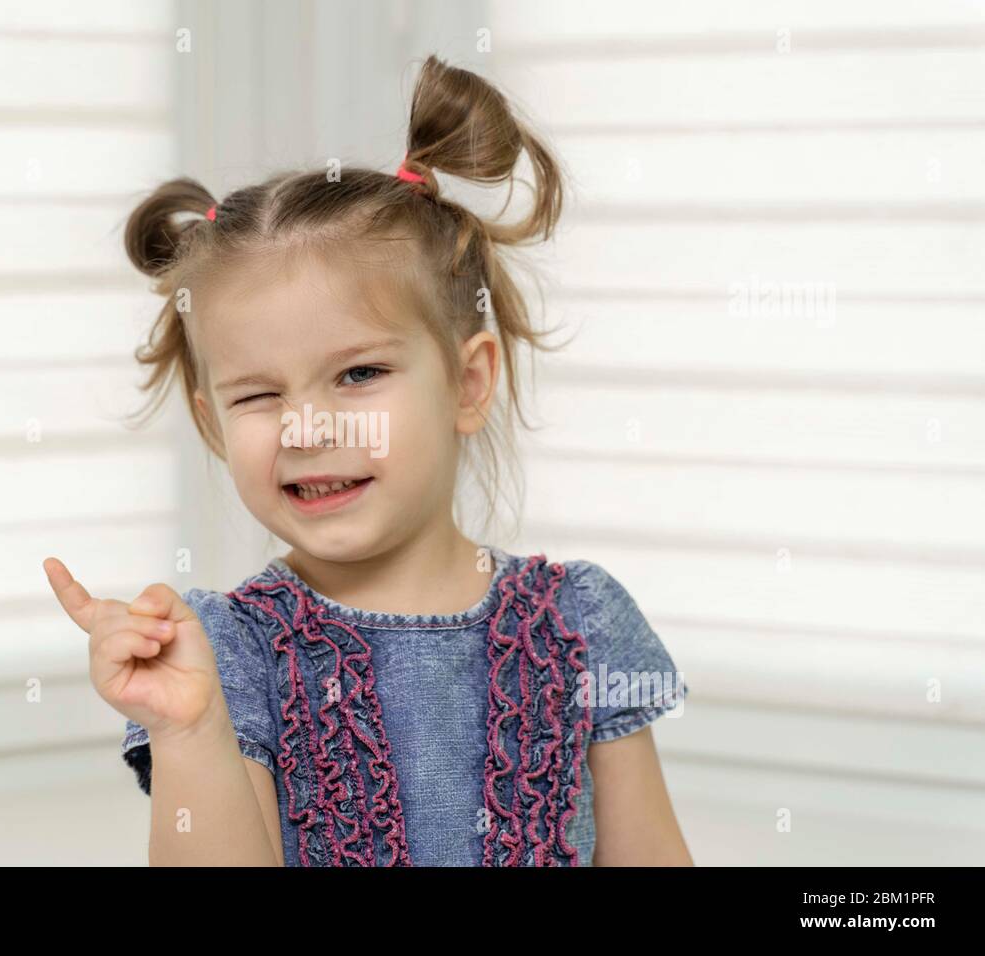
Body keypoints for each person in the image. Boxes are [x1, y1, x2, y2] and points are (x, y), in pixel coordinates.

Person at [44, 54, 691, 866]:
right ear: (211, 424)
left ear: (468, 382)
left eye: (359, 374)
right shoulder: (225, 651)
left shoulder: (582, 622)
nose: (307, 428)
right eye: (258, 396)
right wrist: (189, 731)